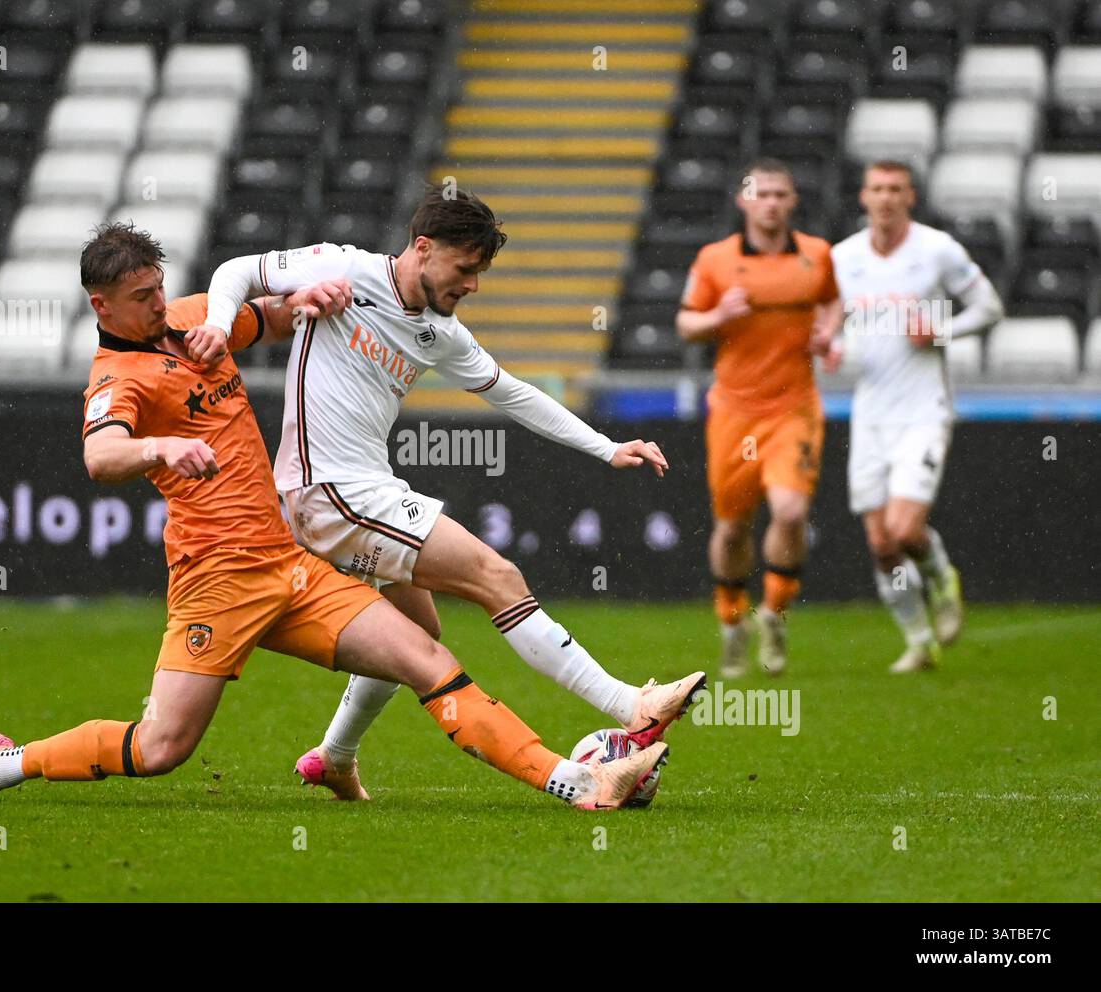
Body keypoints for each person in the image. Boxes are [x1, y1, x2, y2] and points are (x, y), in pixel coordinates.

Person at [0, 222, 670, 811]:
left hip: (290, 566)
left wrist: (301, 302)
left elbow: (263, 321)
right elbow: (101, 458)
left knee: (428, 658)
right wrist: (164, 447)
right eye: (140, 298)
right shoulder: (118, 376)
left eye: (159, 289)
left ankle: (579, 783)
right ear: (100, 304)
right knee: (161, 746)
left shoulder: (184, 322)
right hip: (216, 580)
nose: (156, 306)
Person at [183, 187, 704, 801]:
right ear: (423, 249)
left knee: (415, 636)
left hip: (363, 490)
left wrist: (607, 447)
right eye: (466, 269)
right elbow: (237, 271)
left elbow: (513, 393)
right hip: (328, 493)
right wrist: (219, 326)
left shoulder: (441, 333)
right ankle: (631, 707)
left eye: (481, 273)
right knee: (496, 574)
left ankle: (334, 756)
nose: (474, 285)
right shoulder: (346, 269)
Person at [831, 160, 1003, 672]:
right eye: (877, 188)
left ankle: (942, 576)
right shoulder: (843, 259)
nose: (885, 198)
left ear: (911, 197)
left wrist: (941, 329)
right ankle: (918, 640)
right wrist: (830, 349)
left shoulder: (937, 250)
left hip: (924, 409)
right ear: (863, 197)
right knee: (881, 543)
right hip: (870, 414)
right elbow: (828, 328)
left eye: (896, 189)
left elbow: (989, 307)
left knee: (906, 531)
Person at [676, 158, 842, 678]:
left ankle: (774, 611)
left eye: (780, 194)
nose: (771, 202)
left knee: (790, 512)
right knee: (732, 526)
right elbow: (685, 323)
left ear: (793, 202)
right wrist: (717, 317)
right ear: (743, 201)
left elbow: (834, 303)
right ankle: (732, 621)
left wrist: (828, 334)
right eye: (761, 193)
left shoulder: (817, 255)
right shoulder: (715, 260)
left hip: (794, 409)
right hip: (734, 412)